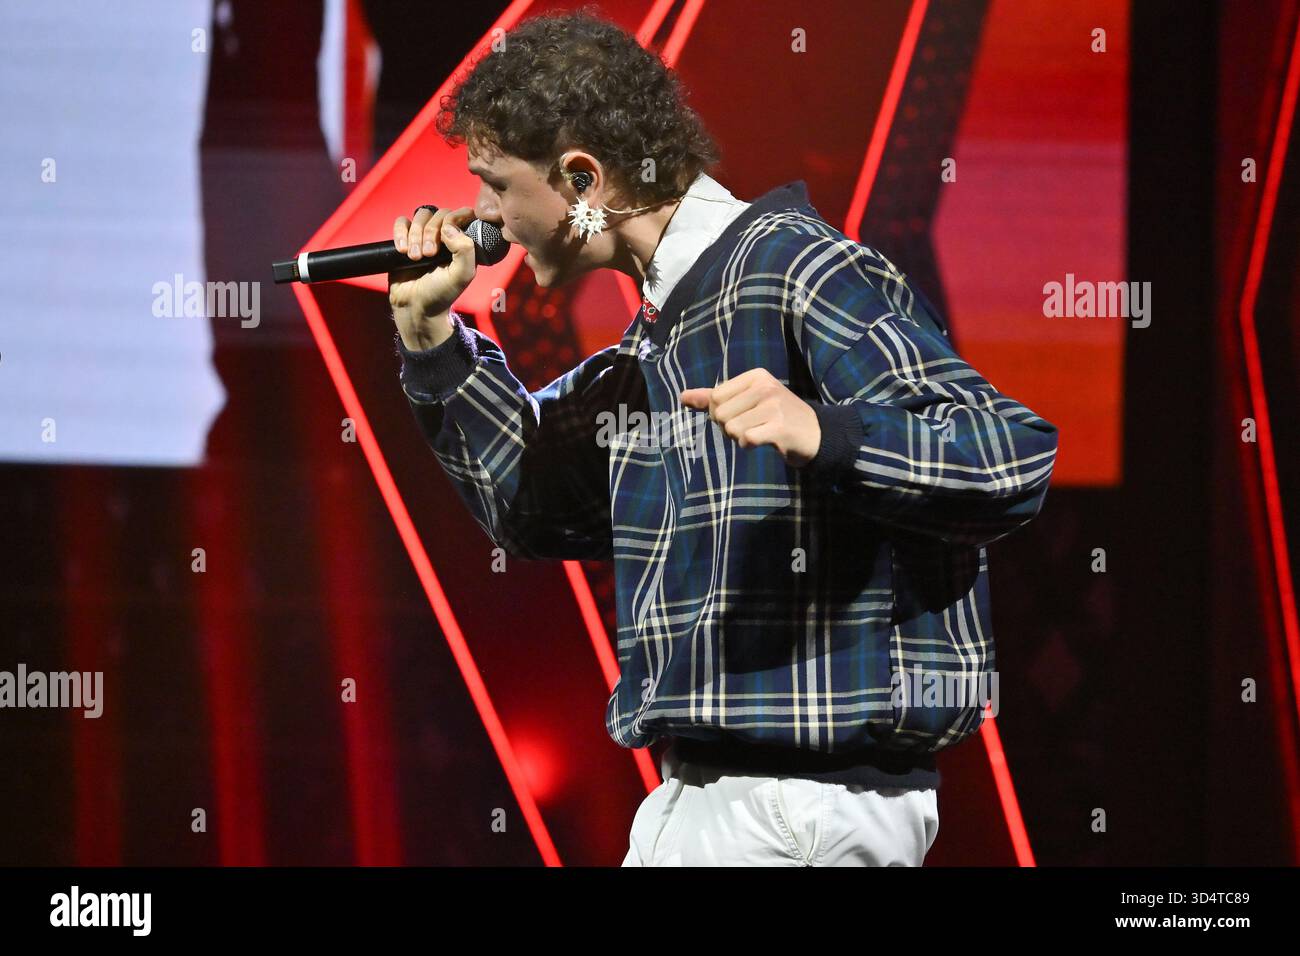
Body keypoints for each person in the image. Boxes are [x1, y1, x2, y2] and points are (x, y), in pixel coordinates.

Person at [387, 10, 1058, 866]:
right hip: (716, 801)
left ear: (582, 179)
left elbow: (1007, 452)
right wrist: (429, 339)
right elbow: (532, 502)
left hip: (798, 802)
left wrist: (826, 431)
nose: (482, 216)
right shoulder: (656, 340)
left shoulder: (794, 267)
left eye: (495, 183)